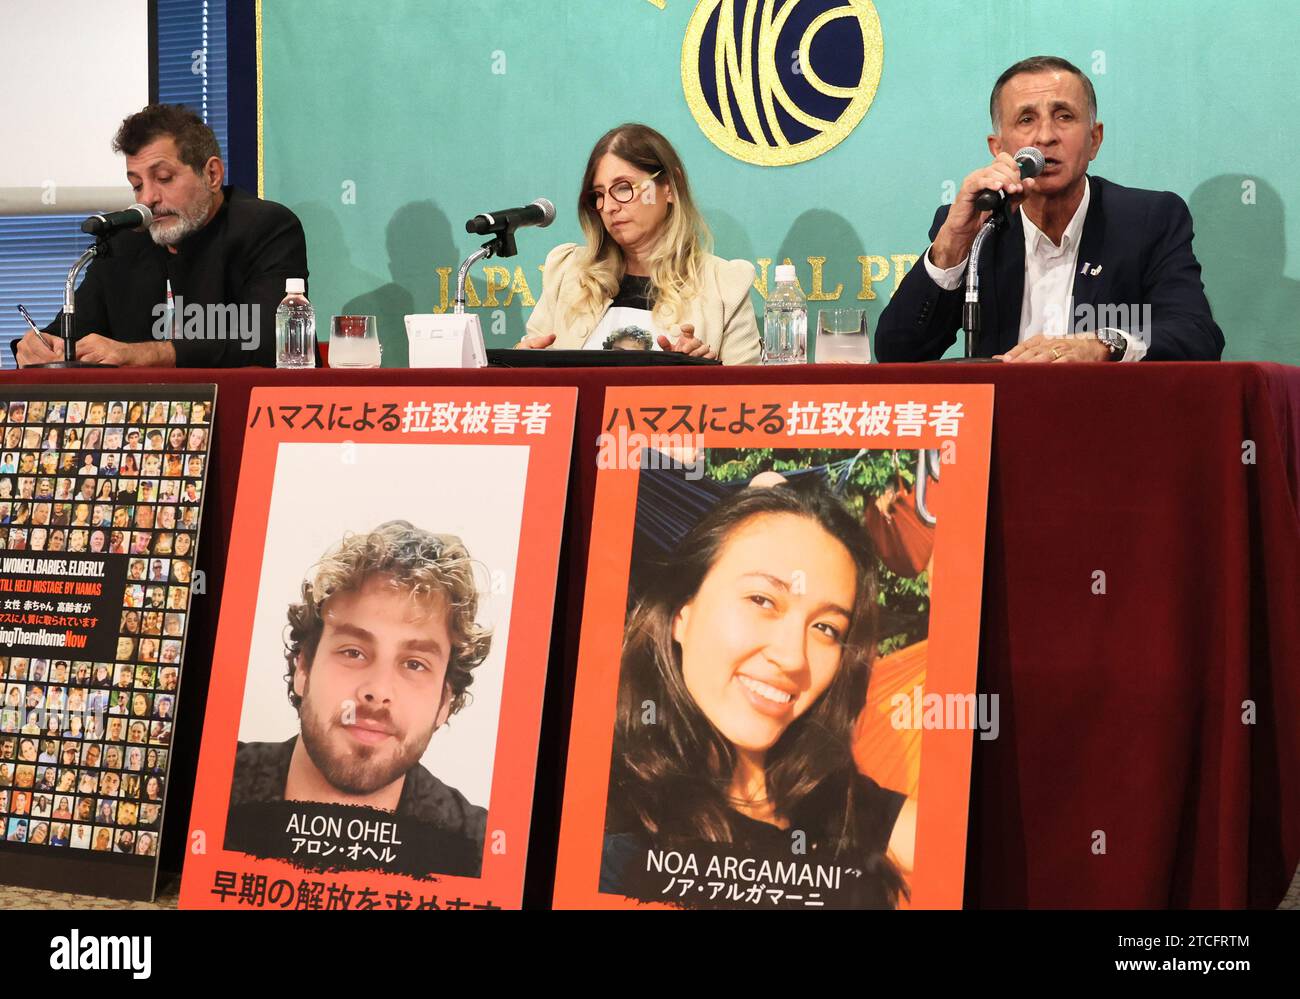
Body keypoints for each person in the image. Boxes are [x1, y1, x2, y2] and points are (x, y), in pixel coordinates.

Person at [601, 481, 913, 908]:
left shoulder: (838, 800)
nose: (792, 658)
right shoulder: (611, 814)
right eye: (762, 600)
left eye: (826, 628)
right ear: (681, 613)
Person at [875, 55, 1224, 363]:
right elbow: (898, 351)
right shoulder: (978, 226)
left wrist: (1104, 345)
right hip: (1000, 428)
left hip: (1107, 426)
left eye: (1064, 116)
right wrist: (952, 243)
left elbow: (1196, 335)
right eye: (1026, 119)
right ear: (998, 148)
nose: (1045, 136)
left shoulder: (1149, 220)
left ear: (1094, 140)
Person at [225, 520, 491, 877]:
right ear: (303, 667)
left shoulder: (479, 853)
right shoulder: (211, 789)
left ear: (445, 702)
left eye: (414, 664)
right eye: (353, 652)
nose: (378, 691)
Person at [13, 103, 309, 368]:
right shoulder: (123, 243)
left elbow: (272, 342)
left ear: (212, 175)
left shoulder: (266, 228)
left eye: (164, 178)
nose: (149, 198)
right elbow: (71, 334)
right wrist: (41, 347)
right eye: (137, 184)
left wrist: (147, 354)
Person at [518, 123, 760, 363]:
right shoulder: (567, 273)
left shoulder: (724, 286)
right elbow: (530, 379)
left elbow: (752, 394)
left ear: (670, 187)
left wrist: (705, 372)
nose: (609, 207)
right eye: (599, 195)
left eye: (623, 188)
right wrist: (522, 362)